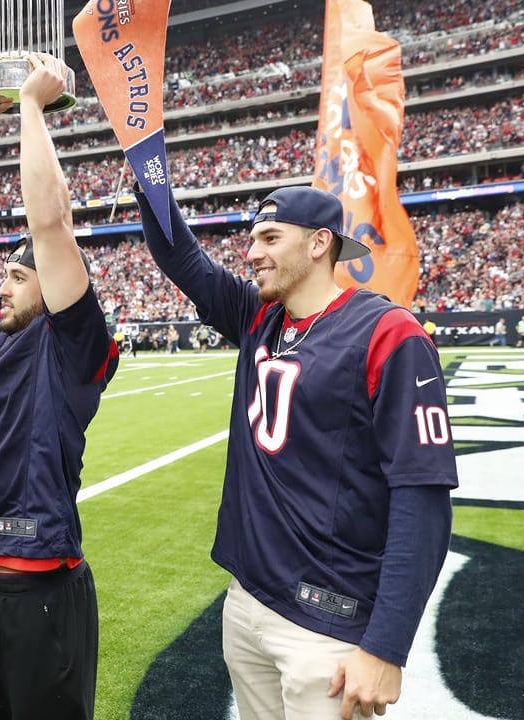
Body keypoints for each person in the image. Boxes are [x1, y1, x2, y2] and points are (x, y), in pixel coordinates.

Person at [135, 184, 457, 720]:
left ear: (318, 244)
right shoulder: (260, 317)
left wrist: (386, 646)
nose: (252, 251)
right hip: (248, 600)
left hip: (327, 622)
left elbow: (422, 499)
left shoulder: (388, 334)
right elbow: (179, 255)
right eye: (253, 238)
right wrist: (145, 162)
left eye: (269, 237)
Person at [0, 53, 118, 720]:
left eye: (19, 276)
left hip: (41, 591)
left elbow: (52, 228)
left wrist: (34, 111)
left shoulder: (71, 346)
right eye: (6, 277)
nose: (3, 285)